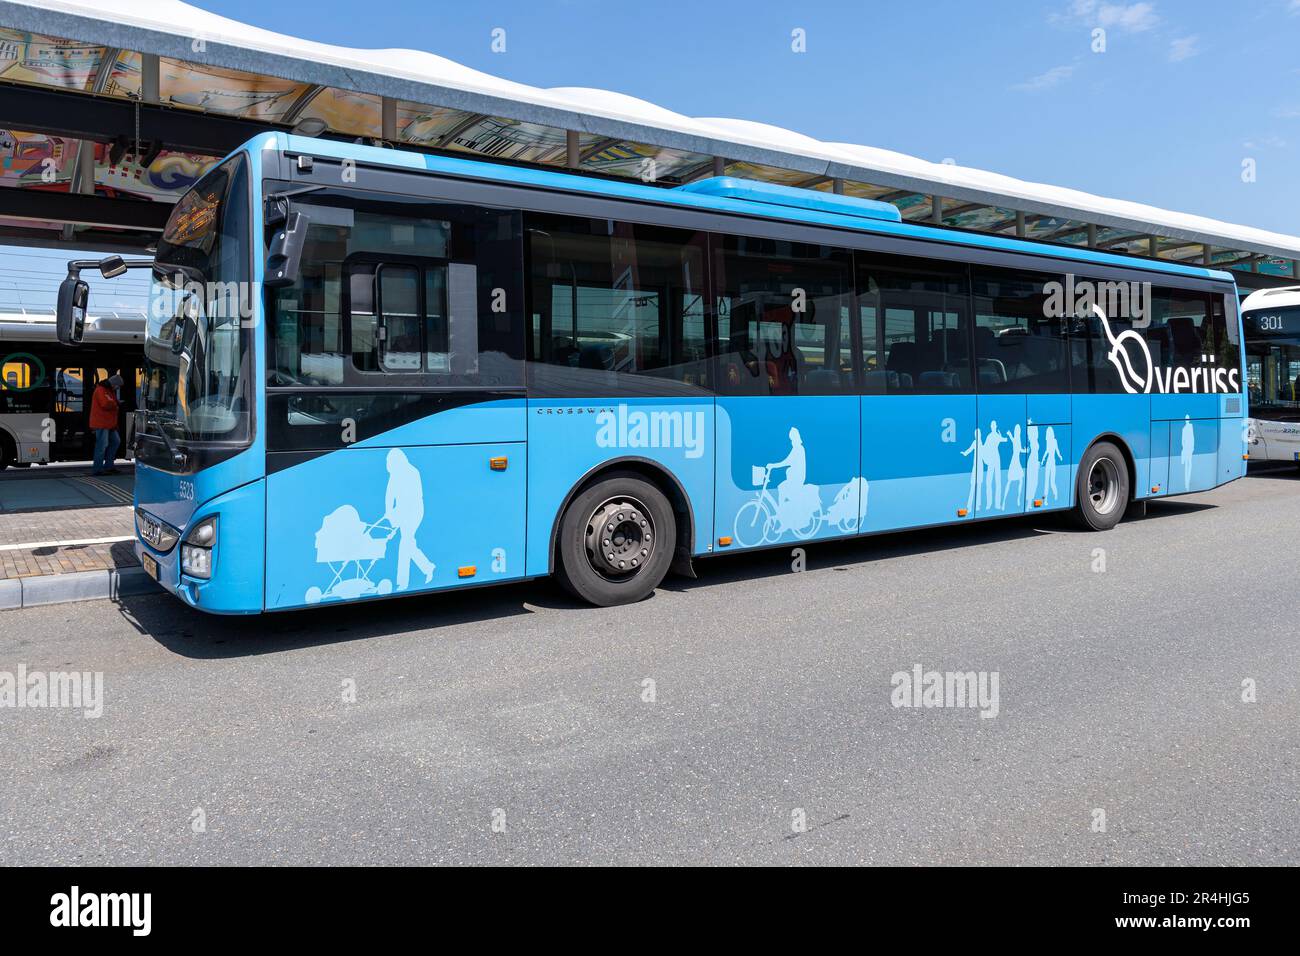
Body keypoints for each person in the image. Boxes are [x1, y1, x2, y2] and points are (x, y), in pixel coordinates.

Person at [383, 447, 434, 591]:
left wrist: (396, 516)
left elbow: (412, 499)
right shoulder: (395, 474)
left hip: (415, 511)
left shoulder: (412, 472)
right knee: (408, 543)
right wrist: (388, 512)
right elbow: (389, 495)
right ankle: (428, 567)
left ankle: (403, 583)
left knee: (405, 543)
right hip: (402, 510)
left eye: (390, 462)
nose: (389, 465)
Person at [90, 373, 123, 475]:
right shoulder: (101, 390)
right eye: (117, 386)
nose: (118, 388)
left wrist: (115, 402)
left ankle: (109, 466)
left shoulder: (109, 390)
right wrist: (116, 403)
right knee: (102, 445)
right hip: (101, 423)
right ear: (113, 384)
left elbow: (110, 401)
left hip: (109, 424)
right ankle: (98, 469)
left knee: (116, 442)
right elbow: (105, 403)